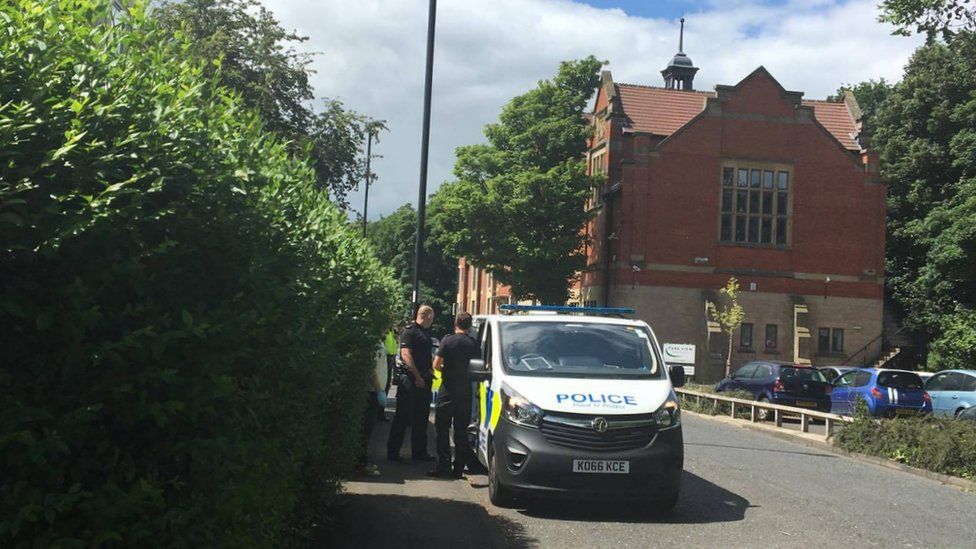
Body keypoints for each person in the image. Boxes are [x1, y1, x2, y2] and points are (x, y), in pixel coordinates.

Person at [427, 312, 480, 478]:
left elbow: (436, 365)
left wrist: (447, 370)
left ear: (455, 323)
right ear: (469, 326)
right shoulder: (473, 344)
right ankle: (458, 468)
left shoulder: (447, 341)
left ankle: (444, 465)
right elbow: (478, 367)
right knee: (461, 430)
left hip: (448, 389)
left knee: (442, 429)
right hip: (465, 391)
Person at [387, 305, 435, 462]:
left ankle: (419, 452)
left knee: (421, 417)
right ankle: (393, 452)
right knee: (403, 416)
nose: (432, 321)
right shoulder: (410, 332)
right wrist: (417, 376)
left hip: (424, 378)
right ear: (427, 316)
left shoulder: (425, 333)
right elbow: (406, 355)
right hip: (410, 380)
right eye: (432, 317)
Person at [357, 342, 387, 476]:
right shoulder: (372, 343)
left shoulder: (379, 342)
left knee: (368, 429)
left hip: (375, 391)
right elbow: (371, 368)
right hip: (372, 391)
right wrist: (379, 389)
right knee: (365, 429)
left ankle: (362, 461)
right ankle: (361, 463)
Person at [378, 326, 399, 422]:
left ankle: (381, 412)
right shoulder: (386, 331)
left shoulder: (393, 331)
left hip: (391, 359)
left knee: (387, 385)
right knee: (383, 384)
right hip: (385, 358)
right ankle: (379, 412)